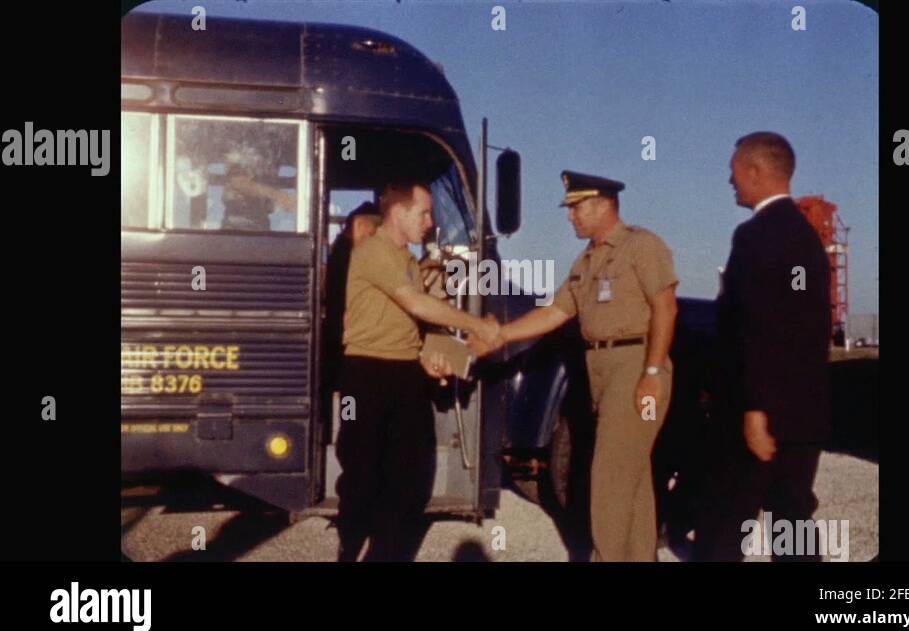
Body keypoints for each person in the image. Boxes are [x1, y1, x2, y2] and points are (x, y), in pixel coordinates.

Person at [471, 171, 679, 562]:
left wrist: (651, 374)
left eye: (576, 207)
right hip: (602, 370)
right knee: (631, 481)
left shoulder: (642, 246)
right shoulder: (587, 260)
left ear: (602, 204)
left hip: (636, 366)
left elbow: (666, 307)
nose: (570, 217)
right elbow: (554, 312)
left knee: (609, 480)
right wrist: (501, 335)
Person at [335, 181, 501, 562]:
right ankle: (348, 551)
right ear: (398, 212)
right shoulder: (375, 251)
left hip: (405, 373)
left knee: (409, 478)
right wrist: (478, 326)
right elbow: (418, 304)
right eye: (424, 212)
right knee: (362, 473)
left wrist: (429, 356)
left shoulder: (408, 260)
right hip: (366, 373)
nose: (429, 222)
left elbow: (409, 321)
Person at [693, 132, 832, 562]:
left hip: (758, 418)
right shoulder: (808, 239)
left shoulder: (755, 236)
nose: (729, 180)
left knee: (721, 531)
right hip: (801, 415)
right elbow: (805, 334)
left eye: (733, 170)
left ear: (755, 171)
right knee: (791, 522)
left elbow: (755, 330)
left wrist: (754, 411)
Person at [319, 201, 382, 430]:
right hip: (346, 340)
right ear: (361, 226)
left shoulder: (341, 252)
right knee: (350, 396)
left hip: (341, 337)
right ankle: (350, 428)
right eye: (374, 232)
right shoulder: (349, 256)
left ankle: (347, 427)